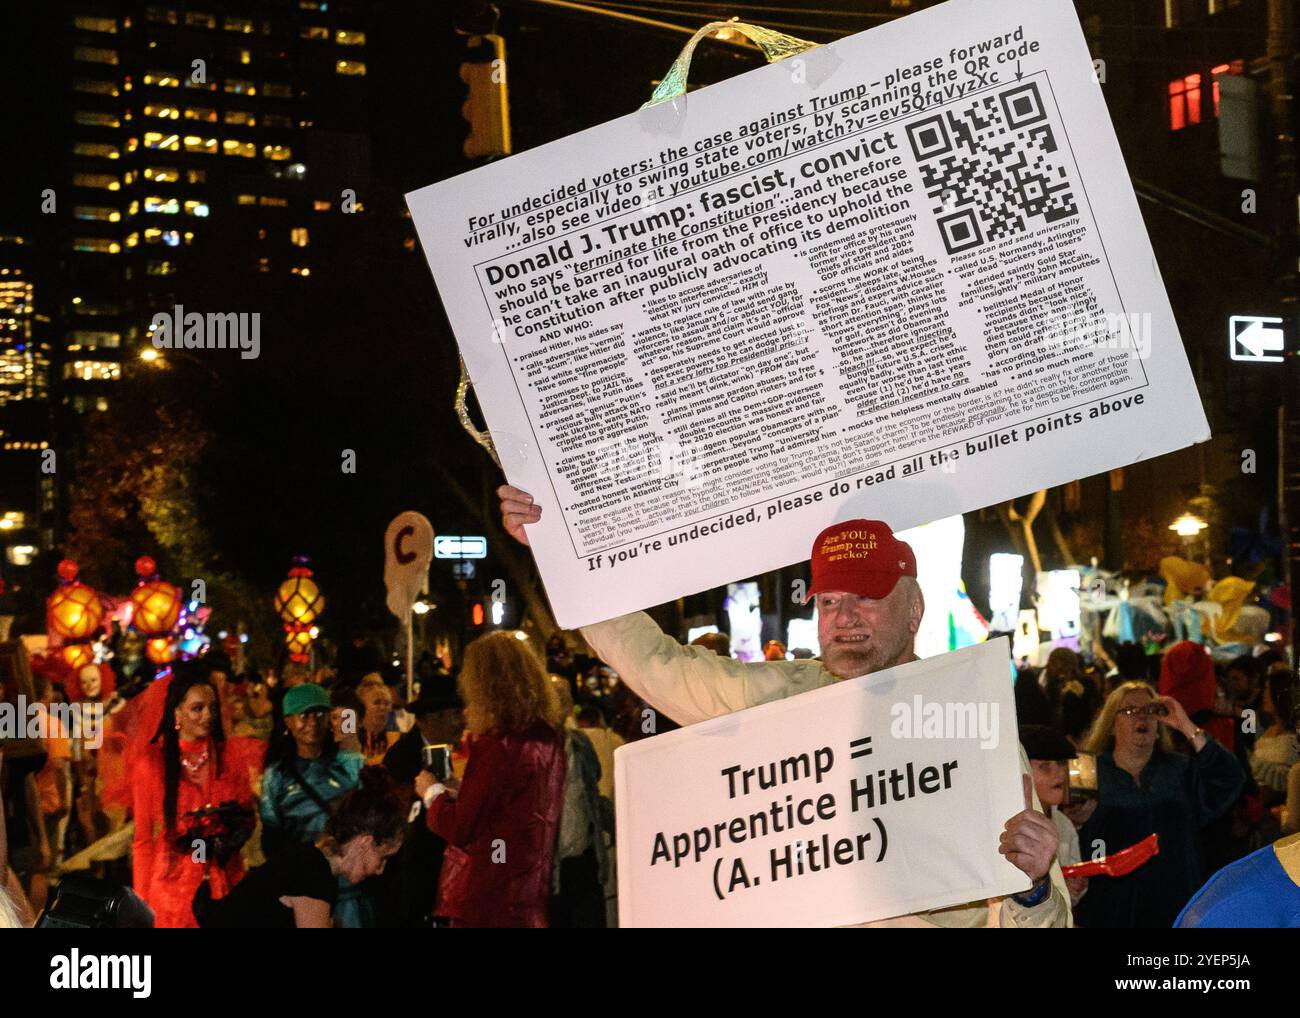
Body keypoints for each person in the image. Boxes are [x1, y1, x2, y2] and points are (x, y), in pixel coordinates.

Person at [499, 485, 1069, 927]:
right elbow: (656, 664)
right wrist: (558, 555)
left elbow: (1047, 918)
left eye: (867, 598)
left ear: (914, 609)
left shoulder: (973, 729)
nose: (844, 616)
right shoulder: (781, 699)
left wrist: (1034, 887)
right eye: (829, 600)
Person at [414, 630, 566, 927]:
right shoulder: (549, 738)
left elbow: (461, 827)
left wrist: (431, 792)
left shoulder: (496, 744)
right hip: (530, 891)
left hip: (488, 897)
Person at [1074, 681, 1244, 928]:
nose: (1142, 717)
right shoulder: (1090, 774)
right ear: (1111, 724)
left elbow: (1230, 779)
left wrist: (1186, 726)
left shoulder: (1180, 769)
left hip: (1175, 902)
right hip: (1111, 908)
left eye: (1150, 710)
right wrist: (1076, 823)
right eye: (1130, 711)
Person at [131, 663, 266, 928]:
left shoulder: (229, 757)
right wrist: (141, 904)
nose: (208, 715)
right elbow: (143, 840)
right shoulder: (153, 764)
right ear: (176, 713)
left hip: (225, 882)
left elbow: (246, 815)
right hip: (173, 891)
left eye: (212, 707)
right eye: (197, 708)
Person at [197, 767, 407, 928]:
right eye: (383, 858)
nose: (380, 870)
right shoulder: (314, 875)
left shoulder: (310, 860)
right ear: (365, 843)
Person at [259, 682, 367, 924]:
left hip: (349, 885)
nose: (313, 723)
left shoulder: (352, 764)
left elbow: (368, 818)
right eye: (304, 715)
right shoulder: (276, 775)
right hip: (303, 887)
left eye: (320, 714)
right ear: (288, 721)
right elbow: (271, 834)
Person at [1020, 725, 1087, 906]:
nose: (1058, 773)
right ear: (1023, 771)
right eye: (1045, 766)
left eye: (1062, 763)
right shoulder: (1013, 828)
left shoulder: (1064, 824)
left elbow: (1070, 899)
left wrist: (1076, 888)